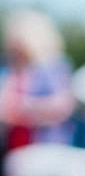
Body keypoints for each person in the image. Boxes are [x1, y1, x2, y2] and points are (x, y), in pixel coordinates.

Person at [0, 10, 76, 154]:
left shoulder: (52, 66)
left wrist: (23, 107)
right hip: (11, 146)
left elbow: (63, 105)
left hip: (44, 145)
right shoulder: (9, 68)